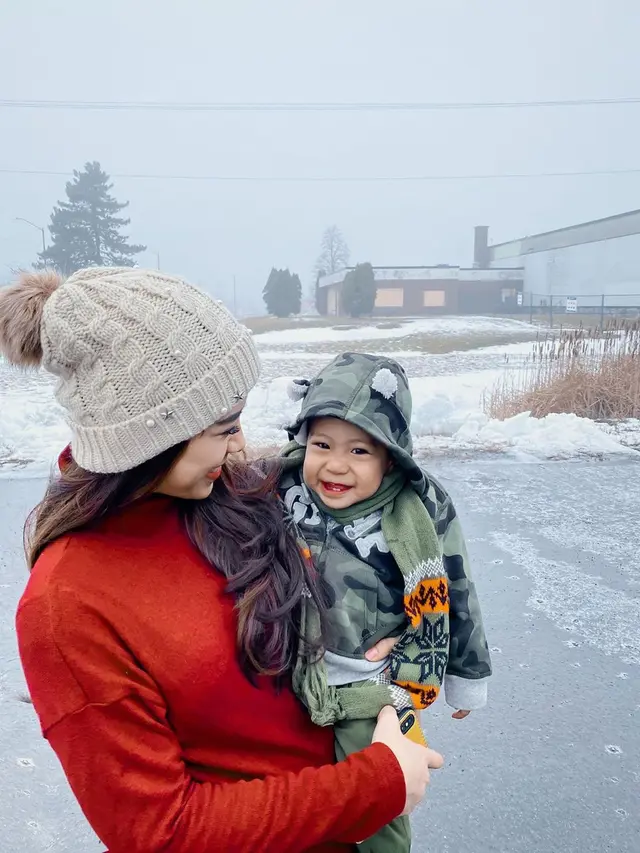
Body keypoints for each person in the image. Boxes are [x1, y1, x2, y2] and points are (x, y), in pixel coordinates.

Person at [0, 269, 444, 853]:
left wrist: (404, 635)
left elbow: (385, 528)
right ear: (148, 434)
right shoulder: (68, 605)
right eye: (223, 428)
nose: (241, 445)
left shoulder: (236, 494)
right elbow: (162, 832)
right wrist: (379, 781)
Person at [279, 352, 492, 853]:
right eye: (322, 444)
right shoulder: (280, 488)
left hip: (373, 683)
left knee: (379, 797)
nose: (335, 464)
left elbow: (457, 590)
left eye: (359, 451)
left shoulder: (419, 508)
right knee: (298, 797)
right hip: (294, 667)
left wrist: (465, 677)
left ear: (390, 457)